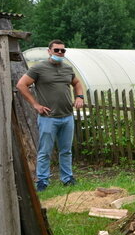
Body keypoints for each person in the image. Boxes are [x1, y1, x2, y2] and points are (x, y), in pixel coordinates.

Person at [16, 40, 84, 192]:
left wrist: (80, 97)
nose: (60, 53)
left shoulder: (67, 69)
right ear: (49, 51)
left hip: (67, 116)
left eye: (62, 51)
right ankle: (42, 181)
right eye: (57, 50)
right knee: (45, 151)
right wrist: (35, 104)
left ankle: (67, 179)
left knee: (66, 150)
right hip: (49, 117)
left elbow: (77, 83)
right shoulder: (39, 68)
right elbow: (21, 85)